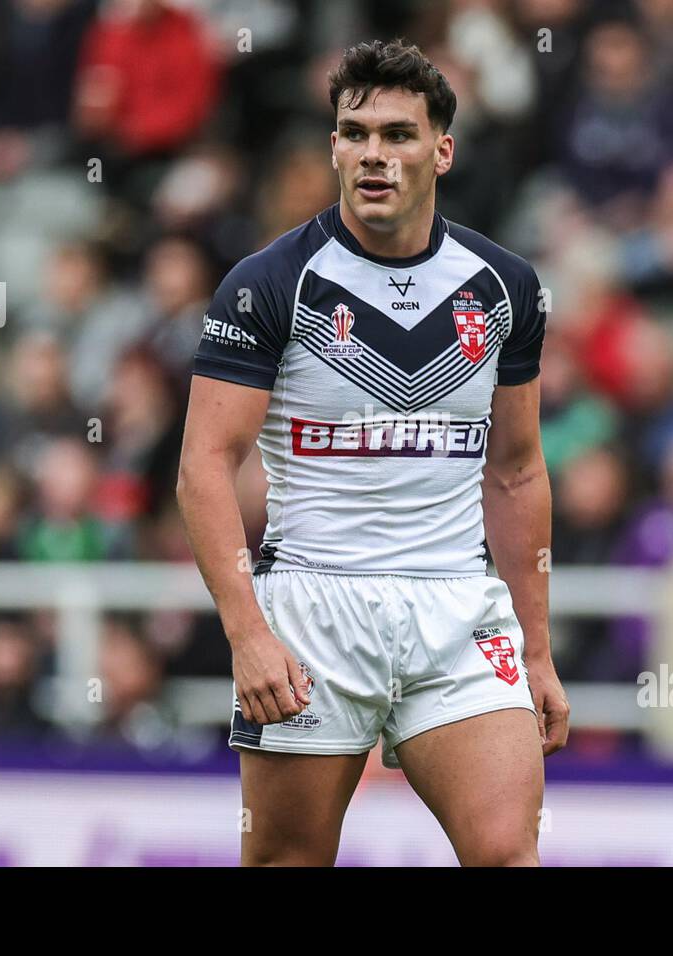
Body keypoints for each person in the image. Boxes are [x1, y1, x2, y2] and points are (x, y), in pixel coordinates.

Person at [176, 38, 568, 867]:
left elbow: (517, 469)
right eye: (355, 134)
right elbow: (205, 466)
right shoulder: (269, 283)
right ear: (333, 148)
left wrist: (535, 648)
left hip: (458, 607)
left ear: (443, 150)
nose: (373, 155)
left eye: (397, 135)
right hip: (314, 610)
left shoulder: (505, 287)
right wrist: (247, 634)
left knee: (509, 855)